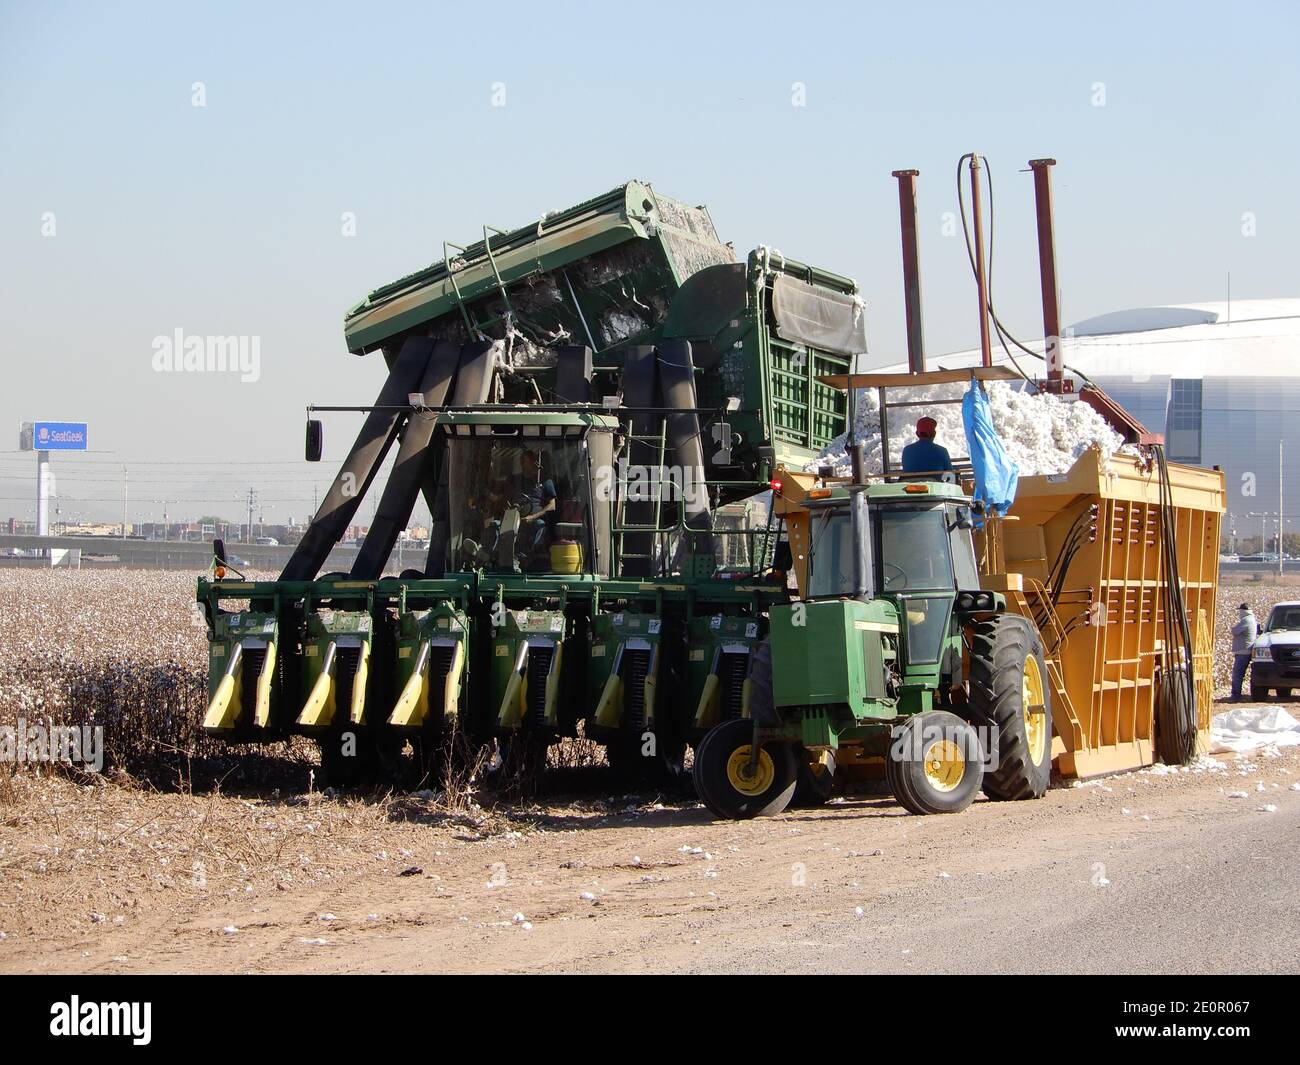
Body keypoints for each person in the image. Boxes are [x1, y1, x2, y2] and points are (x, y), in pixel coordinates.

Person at [1230, 602, 1258, 700]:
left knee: (1237, 674)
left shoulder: (1246, 620)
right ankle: (1236, 694)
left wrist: (1233, 627)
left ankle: (1236, 694)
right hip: (1247, 649)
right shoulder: (1251, 619)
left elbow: (1235, 631)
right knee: (1240, 673)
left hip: (1243, 651)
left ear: (1243, 611)